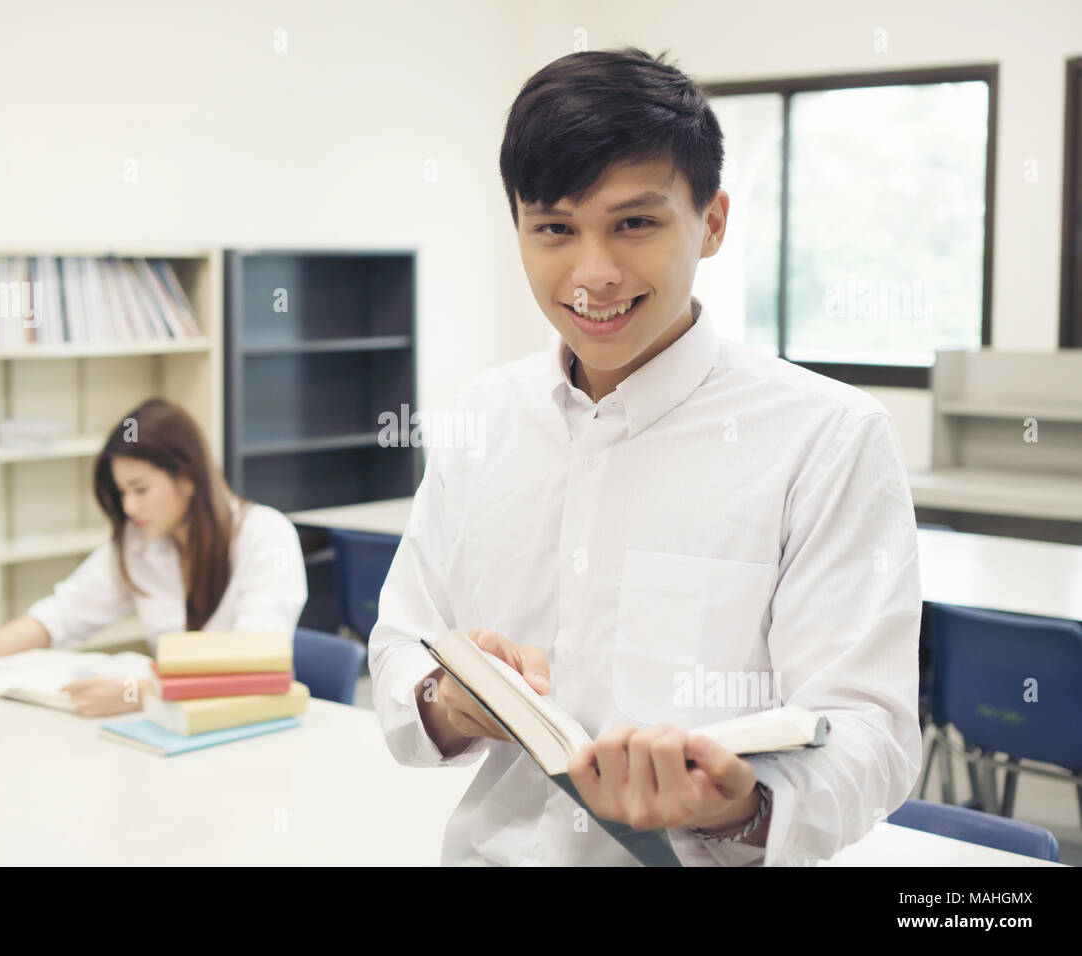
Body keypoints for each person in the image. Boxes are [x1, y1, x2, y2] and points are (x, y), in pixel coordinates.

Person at [368, 46, 922, 865]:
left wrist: (739, 806)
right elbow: (398, 643)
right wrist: (449, 700)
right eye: (555, 228)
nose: (593, 274)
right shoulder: (486, 416)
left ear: (714, 222)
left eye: (635, 223)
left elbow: (871, 735)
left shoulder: (828, 438)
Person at [0, 397, 308, 717]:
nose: (129, 507)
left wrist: (138, 692)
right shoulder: (140, 545)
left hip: (245, 728)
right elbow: (61, 615)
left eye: (140, 489)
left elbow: (256, 661)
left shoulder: (266, 536)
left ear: (187, 477)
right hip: (173, 728)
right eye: (122, 492)